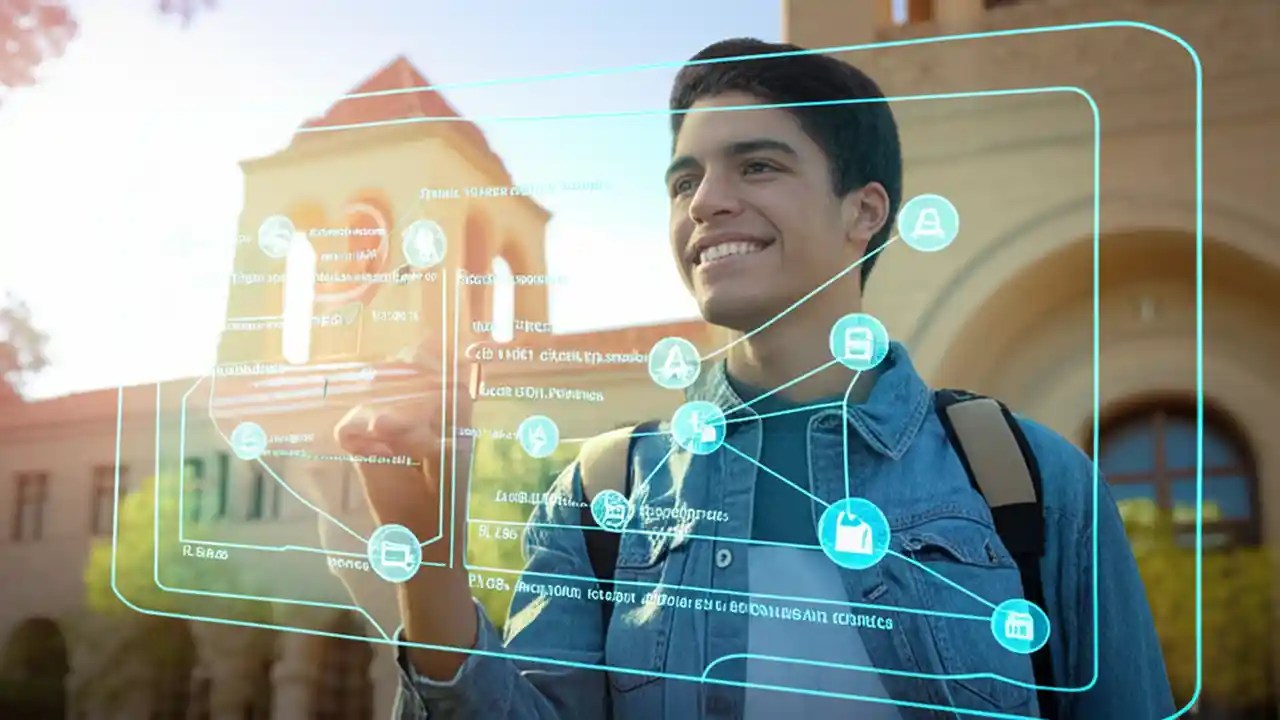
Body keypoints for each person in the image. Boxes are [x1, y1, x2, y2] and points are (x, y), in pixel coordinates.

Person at [335, 37, 1175, 719]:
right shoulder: (598, 498)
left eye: (758, 166)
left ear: (864, 211)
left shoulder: (1035, 483)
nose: (705, 201)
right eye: (685, 180)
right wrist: (429, 560)